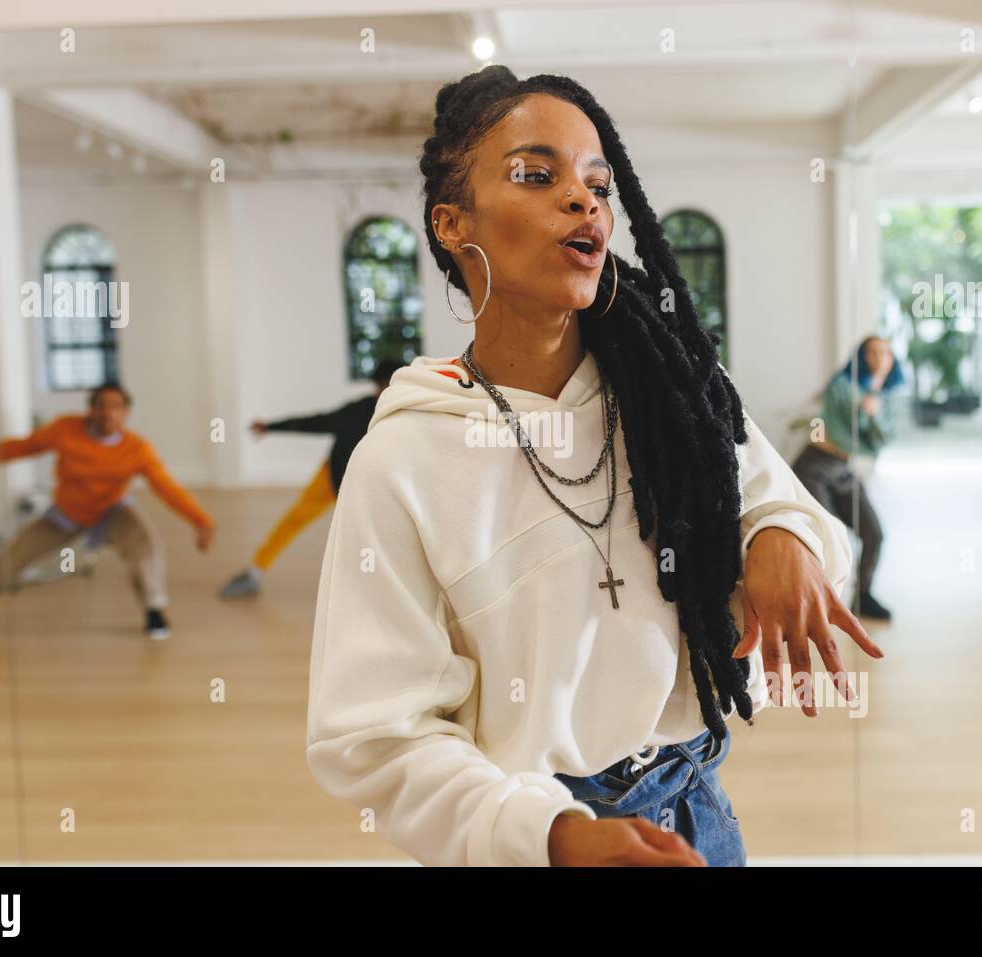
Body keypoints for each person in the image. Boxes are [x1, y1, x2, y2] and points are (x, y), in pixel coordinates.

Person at [305, 65, 884, 868]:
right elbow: (374, 733)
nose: (582, 200)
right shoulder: (404, 457)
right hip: (537, 837)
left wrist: (783, 533)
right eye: (536, 176)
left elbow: (800, 525)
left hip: (696, 807)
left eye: (598, 182)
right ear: (449, 223)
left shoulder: (672, 393)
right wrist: (552, 834)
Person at [0, 382, 215, 644]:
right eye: (101, 405)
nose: (108, 413)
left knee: (145, 543)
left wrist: (201, 521)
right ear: (90, 410)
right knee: (13, 557)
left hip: (113, 510)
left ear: (126, 414)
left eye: (117, 407)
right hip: (67, 514)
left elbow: (167, 488)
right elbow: (17, 448)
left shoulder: (137, 450)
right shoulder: (65, 430)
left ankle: (154, 610)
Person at [218, 359, 407, 599]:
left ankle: (380, 586)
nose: (385, 389)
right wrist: (271, 427)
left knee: (373, 535)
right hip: (332, 476)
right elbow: (317, 422)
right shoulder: (358, 410)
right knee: (295, 519)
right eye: (384, 384)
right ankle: (256, 571)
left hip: (367, 487)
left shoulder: (403, 415)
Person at [791, 335, 903, 622]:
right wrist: (866, 412)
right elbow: (848, 434)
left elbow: (882, 440)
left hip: (843, 468)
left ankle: (862, 598)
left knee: (873, 532)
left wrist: (872, 408)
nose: (880, 359)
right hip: (815, 465)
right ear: (861, 357)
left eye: (886, 353)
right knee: (826, 539)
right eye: (873, 352)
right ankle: (812, 604)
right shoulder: (841, 386)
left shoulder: (884, 398)